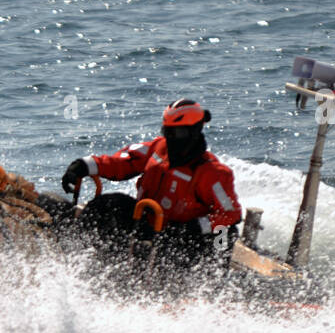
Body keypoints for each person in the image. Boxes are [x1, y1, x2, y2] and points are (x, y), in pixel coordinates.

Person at [61, 99, 242, 273]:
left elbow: (230, 213)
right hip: (146, 222)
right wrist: (84, 165)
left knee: (224, 234)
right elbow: (122, 162)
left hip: (180, 237)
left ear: (194, 132)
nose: (171, 139)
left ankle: (208, 288)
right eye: (167, 132)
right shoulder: (158, 148)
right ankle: (76, 256)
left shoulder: (212, 173)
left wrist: (194, 227)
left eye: (177, 134)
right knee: (108, 204)